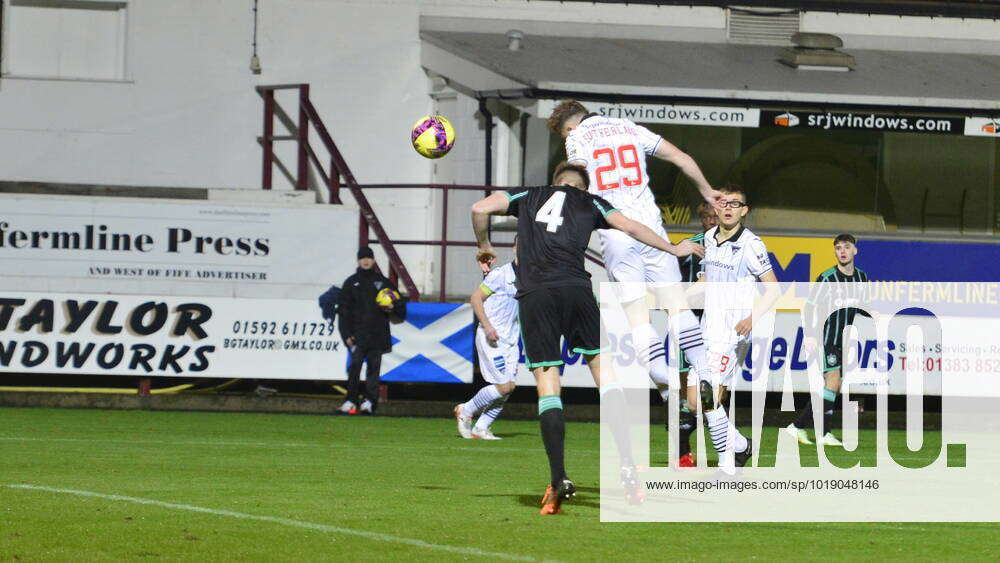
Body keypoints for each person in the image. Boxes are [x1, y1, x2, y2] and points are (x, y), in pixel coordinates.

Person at [471, 162, 703, 514]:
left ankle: (559, 477)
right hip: (576, 291)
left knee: (548, 386)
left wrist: (485, 244)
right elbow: (631, 226)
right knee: (605, 377)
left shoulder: (529, 195)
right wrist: (673, 249)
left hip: (535, 295)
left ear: (555, 183)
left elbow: (479, 208)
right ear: (582, 186)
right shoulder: (592, 202)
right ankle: (627, 467)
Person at [548, 100, 722, 465]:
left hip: (617, 231)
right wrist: (706, 191)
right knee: (678, 308)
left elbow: (577, 177)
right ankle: (704, 375)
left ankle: (674, 384)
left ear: (568, 127)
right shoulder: (630, 128)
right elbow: (681, 157)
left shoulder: (577, 137)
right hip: (652, 228)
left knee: (638, 319)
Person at [697, 186, 780, 470]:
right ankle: (741, 445)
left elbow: (772, 289)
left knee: (709, 396)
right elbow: (707, 278)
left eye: (736, 204)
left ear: (744, 211)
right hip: (706, 329)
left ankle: (727, 462)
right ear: (716, 209)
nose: (729, 207)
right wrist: (678, 300)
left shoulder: (751, 245)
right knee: (697, 402)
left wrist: (751, 318)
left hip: (732, 334)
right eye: (723, 203)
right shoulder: (709, 238)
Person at [785, 234, 870, 446]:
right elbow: (810, 306)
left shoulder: (861, 277)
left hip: (845, 339)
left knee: (833, 386)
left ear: (855, 251)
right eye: (838, 248)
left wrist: (873, 312)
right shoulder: (828, 278)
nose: (842, 251)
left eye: (847, 247)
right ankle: (807, 429)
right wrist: (812, 335)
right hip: (827, 338)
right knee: (832, 383)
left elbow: (862, 305)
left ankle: (811, 430)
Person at [455, 238, 520, 440]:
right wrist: (487, 325)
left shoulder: (532, 276)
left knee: (508, 388)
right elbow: (476, 298)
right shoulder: (501, 274)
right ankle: (466, 409)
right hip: (492, 337)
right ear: (515, 247)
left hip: (511, 340)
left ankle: (481, 428)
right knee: (504, 386)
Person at [672, 202, 718, 467]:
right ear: (701, 218)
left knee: (714, 389)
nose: (711, 220)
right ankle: (682, 450)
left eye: (715, 215)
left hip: (718, 326)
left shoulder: (729, 245)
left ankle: (722, 442)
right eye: (707, 216)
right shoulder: (689, 246)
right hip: (689, 323)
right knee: (681, 386)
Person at [337, 246, 406, 415]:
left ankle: (369, 402)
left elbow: (400, 306)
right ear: (358, 261)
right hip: (357, 336)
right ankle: (350, 401)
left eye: (369, 258)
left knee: (373, 371)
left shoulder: (383, 282)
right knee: (354, 368)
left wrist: (392, 306)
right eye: (363, 258)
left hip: (377, 335)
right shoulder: (351, 282)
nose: (366, 261)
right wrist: (346, 334)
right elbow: (343, 312)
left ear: (374, 260)